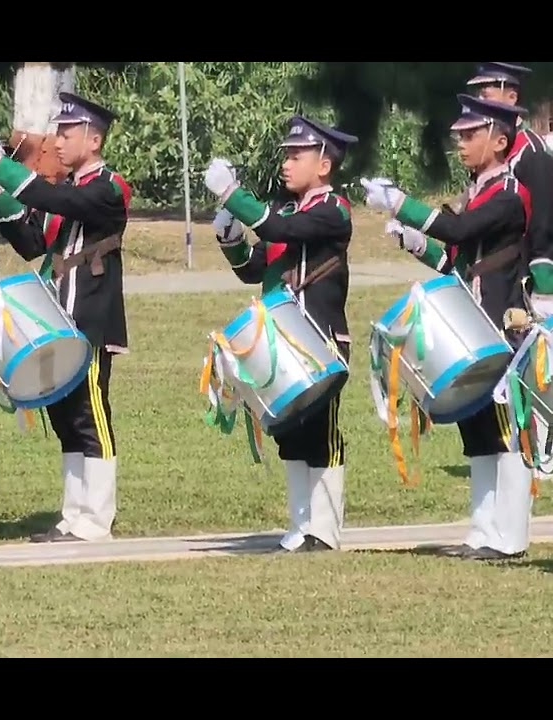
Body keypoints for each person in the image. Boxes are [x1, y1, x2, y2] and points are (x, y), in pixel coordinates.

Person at [367, 95, 534, 561]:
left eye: (471, 134)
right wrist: (415, 243)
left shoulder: (509, 194)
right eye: (460, 134)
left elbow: (460, 233)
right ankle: (482, 532)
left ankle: (510, 537)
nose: (460, 142)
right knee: (476, 431)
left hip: (500, 326)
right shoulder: (476, 193)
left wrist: (401, 203)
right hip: (470, 324)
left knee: (505, 433)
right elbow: (457, 262)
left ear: (499, 141)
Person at [0, 92, 129, 543]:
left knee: (91, 414)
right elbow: (32, 244)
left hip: (91, 319)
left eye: (67, 133)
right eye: (56, 133)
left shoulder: (109, 188)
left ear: (94, 139)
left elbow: (60, 201)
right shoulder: (67, 191)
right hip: (57, 319)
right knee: (66, 416)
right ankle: (73, 513)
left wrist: (3, 168)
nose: (57, 142)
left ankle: (97, 517)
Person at [202, 116, 357, 553]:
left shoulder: (333, 210)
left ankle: (324, 529)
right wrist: (230, 238)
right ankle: (300, 525)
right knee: (289, 434)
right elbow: (253, 269)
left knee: (321, 433)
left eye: (296, 156)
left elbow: (281, 231)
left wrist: (233, 195)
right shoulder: (287, 211)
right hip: (281, 340)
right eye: (286, 155)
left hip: (320, 339)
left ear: (323, 165)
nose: (286, 164)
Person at [466, 62, 553, 480]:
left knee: (541, 364)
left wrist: (543, 287)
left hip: (537, 270)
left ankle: (541, 449)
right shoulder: (495, 153)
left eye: (486, 94)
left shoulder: (531, 155)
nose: (479, 102)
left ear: (511, 97)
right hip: (510, 272)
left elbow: (544, 225)